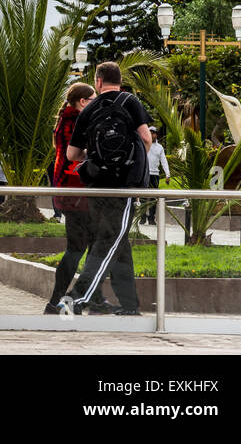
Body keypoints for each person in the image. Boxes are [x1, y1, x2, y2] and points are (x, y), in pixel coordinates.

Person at [59, 62, 152, 316]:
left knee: (117, 242)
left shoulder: (90, 110)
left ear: (98, 82)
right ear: (119, 80)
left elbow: (72, 154)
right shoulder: (130, 101)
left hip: (96, 186)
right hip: (123, 187)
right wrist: (130, 162)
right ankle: (77, 299)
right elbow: (146, 138)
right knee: (110, 241)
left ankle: (130, 306)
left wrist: (99, 156)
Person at [45, 83, 97, 313]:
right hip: (77, 193)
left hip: (71, 193)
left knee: (82, 248)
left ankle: (69, 300)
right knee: (79, 249)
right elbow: (76, 156)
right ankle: (62, 301)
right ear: (83, 101)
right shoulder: (77, 122)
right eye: (94, 99)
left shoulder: (66, 119)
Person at [143, 126, 169, 224]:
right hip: (144, 174)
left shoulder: (160, 147)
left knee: (154, 198)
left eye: (153, 133)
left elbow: (164, 161)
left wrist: (168, 174)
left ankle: (151, 219)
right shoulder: (143, 144)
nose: (151, 135)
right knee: (143, 197)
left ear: (156, 135)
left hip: (154, 175)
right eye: (150, 132)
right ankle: (142, 217)